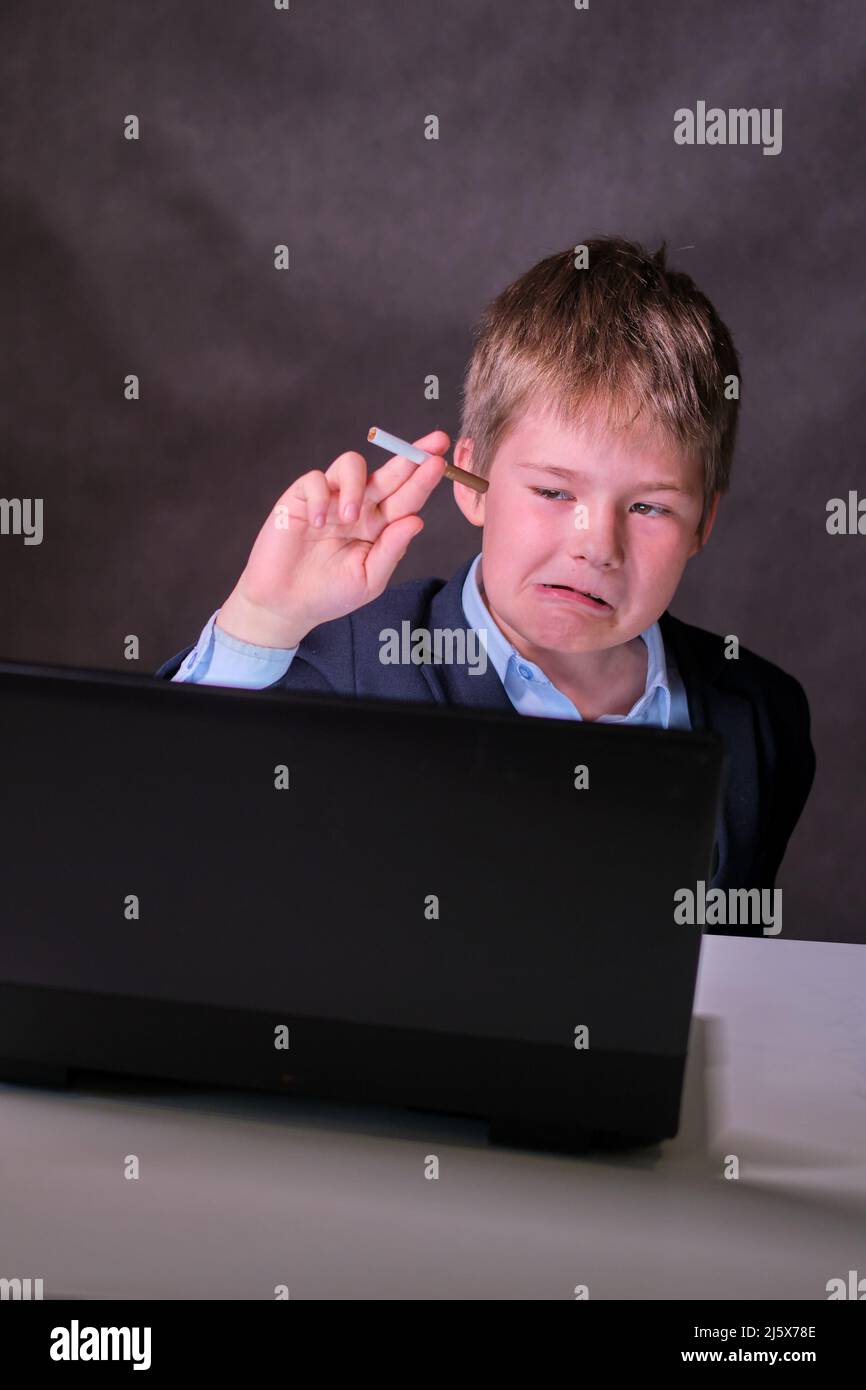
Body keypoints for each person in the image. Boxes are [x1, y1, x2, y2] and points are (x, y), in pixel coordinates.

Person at [155, 236, 815, 894]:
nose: (596, 545)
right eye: (554, 492)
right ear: (471, 478)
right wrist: (261, 619)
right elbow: (158, 819)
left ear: (704, 523)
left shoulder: (760, 716)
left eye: (647, 508)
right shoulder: (347, 664)